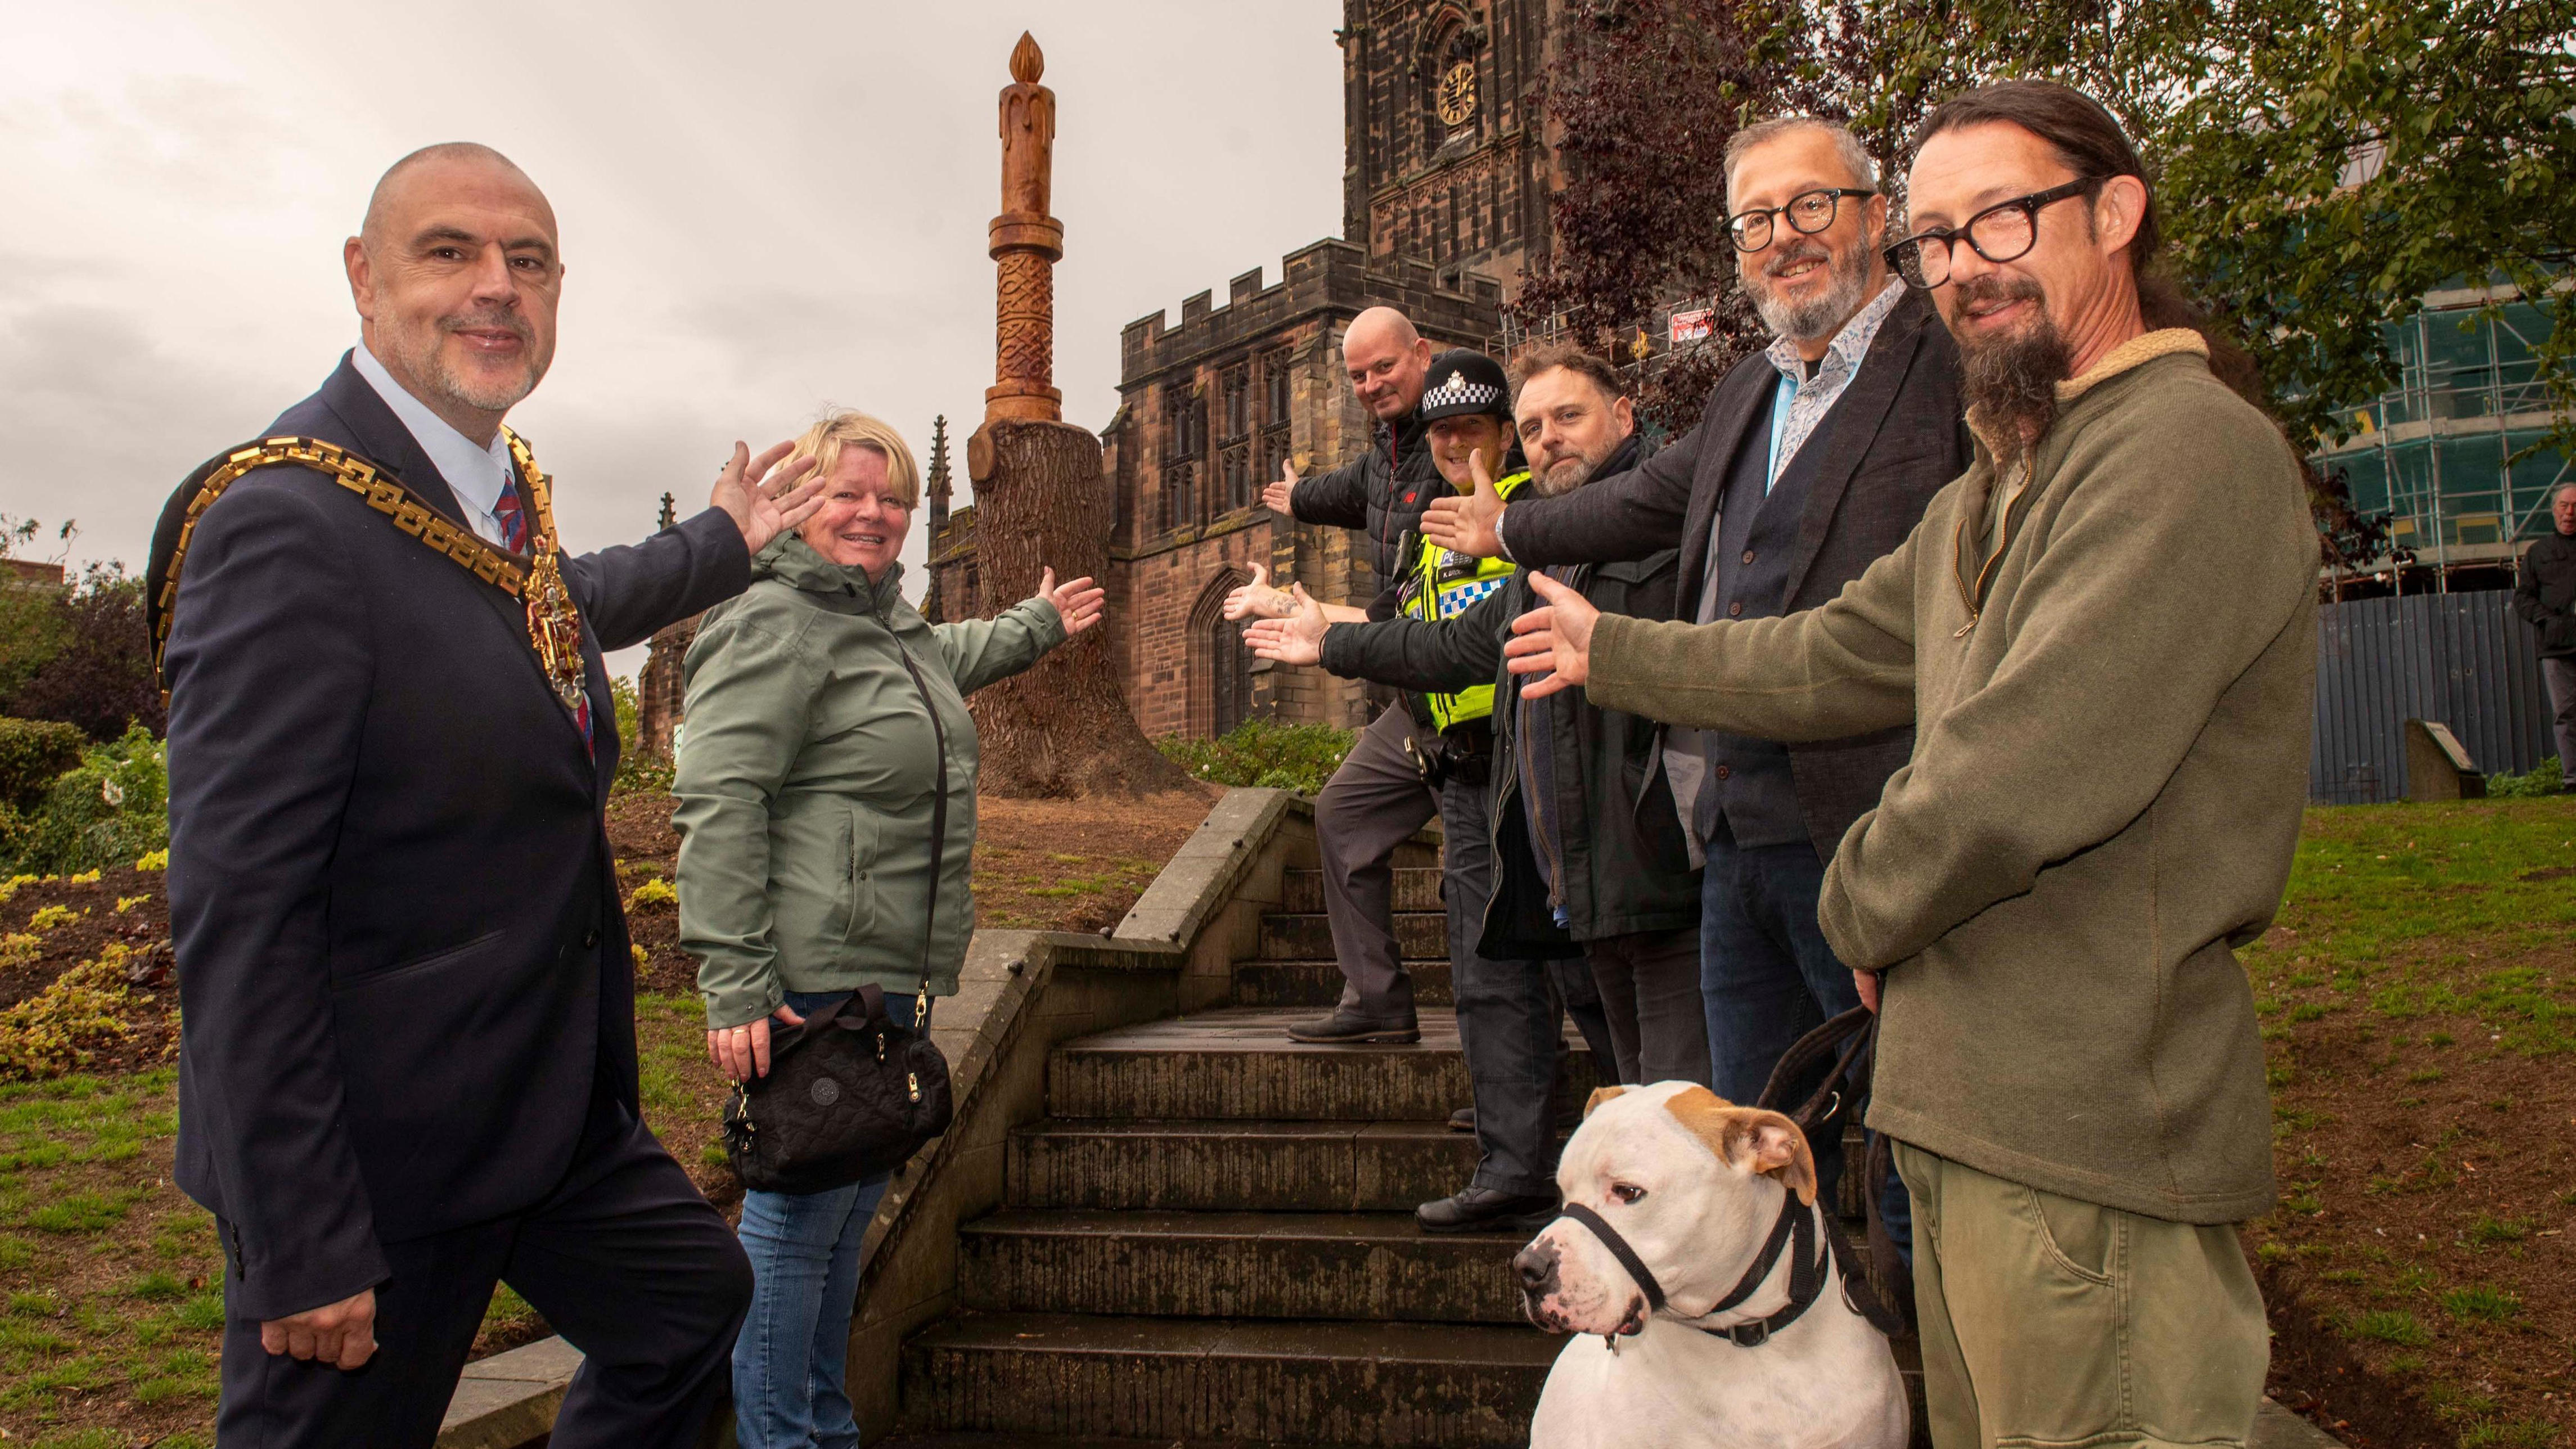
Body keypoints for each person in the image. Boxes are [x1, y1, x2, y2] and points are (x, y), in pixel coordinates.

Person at [1504, 80, 2312, 1446]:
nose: (1960, 267)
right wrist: (1616, 652)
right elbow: (1831, 650)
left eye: (2001, 219)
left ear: (2116, 212)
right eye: (1937, 239)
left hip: (2086, 1133)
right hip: (1970, 1120)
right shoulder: (2004, 481)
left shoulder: (2179, 449)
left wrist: (1861, 905)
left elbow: (2016, 771)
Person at [154, 142, 825, 1448]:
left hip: (538, 1110)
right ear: (364, 276)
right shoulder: (288, 519)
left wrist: (720, 544)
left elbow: (548, 607)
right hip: (378, 1151)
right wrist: (299, 1230)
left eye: (529, 260)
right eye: (449, 251)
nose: (497, 286)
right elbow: (240, 907)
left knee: (690, 1303)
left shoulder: (484, 504)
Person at [1424, 116, 1969, 1221]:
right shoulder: (1750, 389)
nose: (1783, 238)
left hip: (1877, 833)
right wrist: (1506, 530)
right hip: (1737, 846)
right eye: (1755, 220)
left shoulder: (1945, 366)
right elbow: (1641, 502)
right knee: (1750, 1172)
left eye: (1809, 206)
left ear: (1876, 215)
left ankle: (1922, 1327)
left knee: (1918, 1173)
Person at [672, 410, 1101, 1449]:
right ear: (796, 504)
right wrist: (735, 983)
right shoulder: (773, 622)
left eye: (893, 497)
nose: (874, 513)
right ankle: (782, 1438)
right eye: (848, 493)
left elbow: (944, 658)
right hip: (809, 985)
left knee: (840, 1229)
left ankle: (824, 1431)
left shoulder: (882, 625)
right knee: (794, 1232)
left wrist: (1036, 623)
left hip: (884, 980)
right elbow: (719, 802)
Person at [1249, 345, 1708, 1088]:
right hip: (1568, 848)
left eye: (1568, 416)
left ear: (1624, 416)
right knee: (1622, 1071)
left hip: (1657, 864)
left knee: (1672, 1090)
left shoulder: (1632, 514)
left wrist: (1507, 533)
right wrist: (1322, 636)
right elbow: (1444, 638)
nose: (1549, 437)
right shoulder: (1504, 538)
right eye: (1535, 426)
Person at [1258, 347, 1614, 1233]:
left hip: (1538, 765)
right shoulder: (1434, 527)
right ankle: (1513, 1166)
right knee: (1487, 977)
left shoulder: (1540, 515)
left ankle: (1646, 1150)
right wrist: (1317, 627)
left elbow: (1474, 644)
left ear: (1504, 436)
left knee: (1586, 972)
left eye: (1475, 429)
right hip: (1462, 771)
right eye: (1442, 432)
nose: (1456, 445)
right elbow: (1412, 632)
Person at [1227, 305, 1447, 1043]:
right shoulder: (1386, 457)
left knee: (1485, 885)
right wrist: (1294, 497)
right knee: (1345, 811)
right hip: (1414, 701)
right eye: (1357, 375)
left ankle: (1521, 1056)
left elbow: (1404, 610)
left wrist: (1307, 618)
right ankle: (1376, 998)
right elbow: (1345, 490)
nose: (1370, 384)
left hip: (1472, 697)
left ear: (1423, 354)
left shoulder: (1450, 453)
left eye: (1384, 367)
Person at [2512, 482, 2576, 789]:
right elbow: (2522, 598)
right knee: (2566, 715)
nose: (2570, 512)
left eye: (2575, 506)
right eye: (2564, 506)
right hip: (2556, 647)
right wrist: (2548, 621)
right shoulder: (2538, 552)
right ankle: (2573, 780)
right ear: (2554, 511)